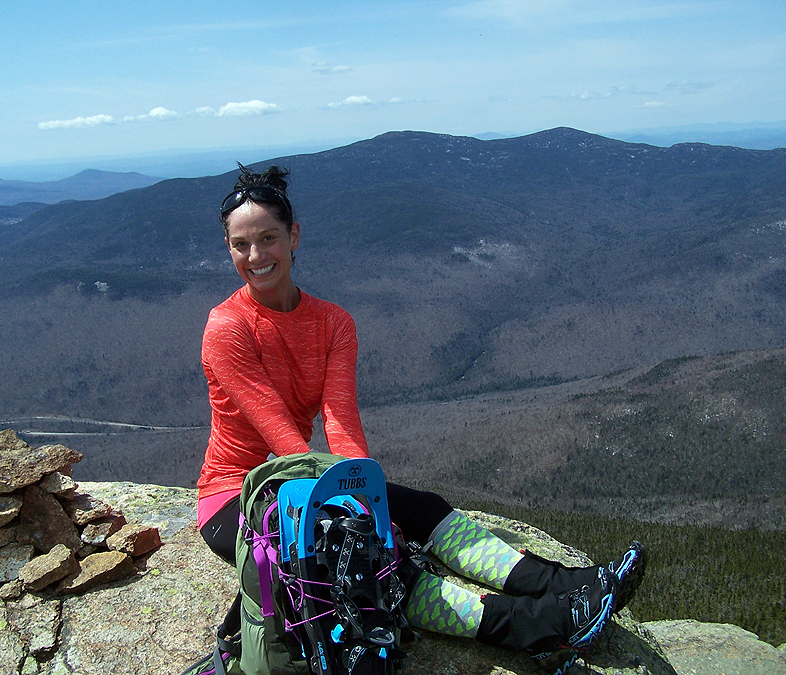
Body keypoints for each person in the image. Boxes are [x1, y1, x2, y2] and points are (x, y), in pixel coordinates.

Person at [196, 164, 645, 671]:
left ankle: (571, 585)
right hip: (237, 497)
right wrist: (362, 517)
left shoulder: (332, 323)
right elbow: (282, 439)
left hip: (302, 480)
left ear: (294, 236)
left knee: (423, 508)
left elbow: (341, 423)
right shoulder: (228, 327)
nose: (255, 256)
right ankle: (544, 624)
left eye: (268, 238)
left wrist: (365, 494)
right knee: (364, 562)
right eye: (240, 245)